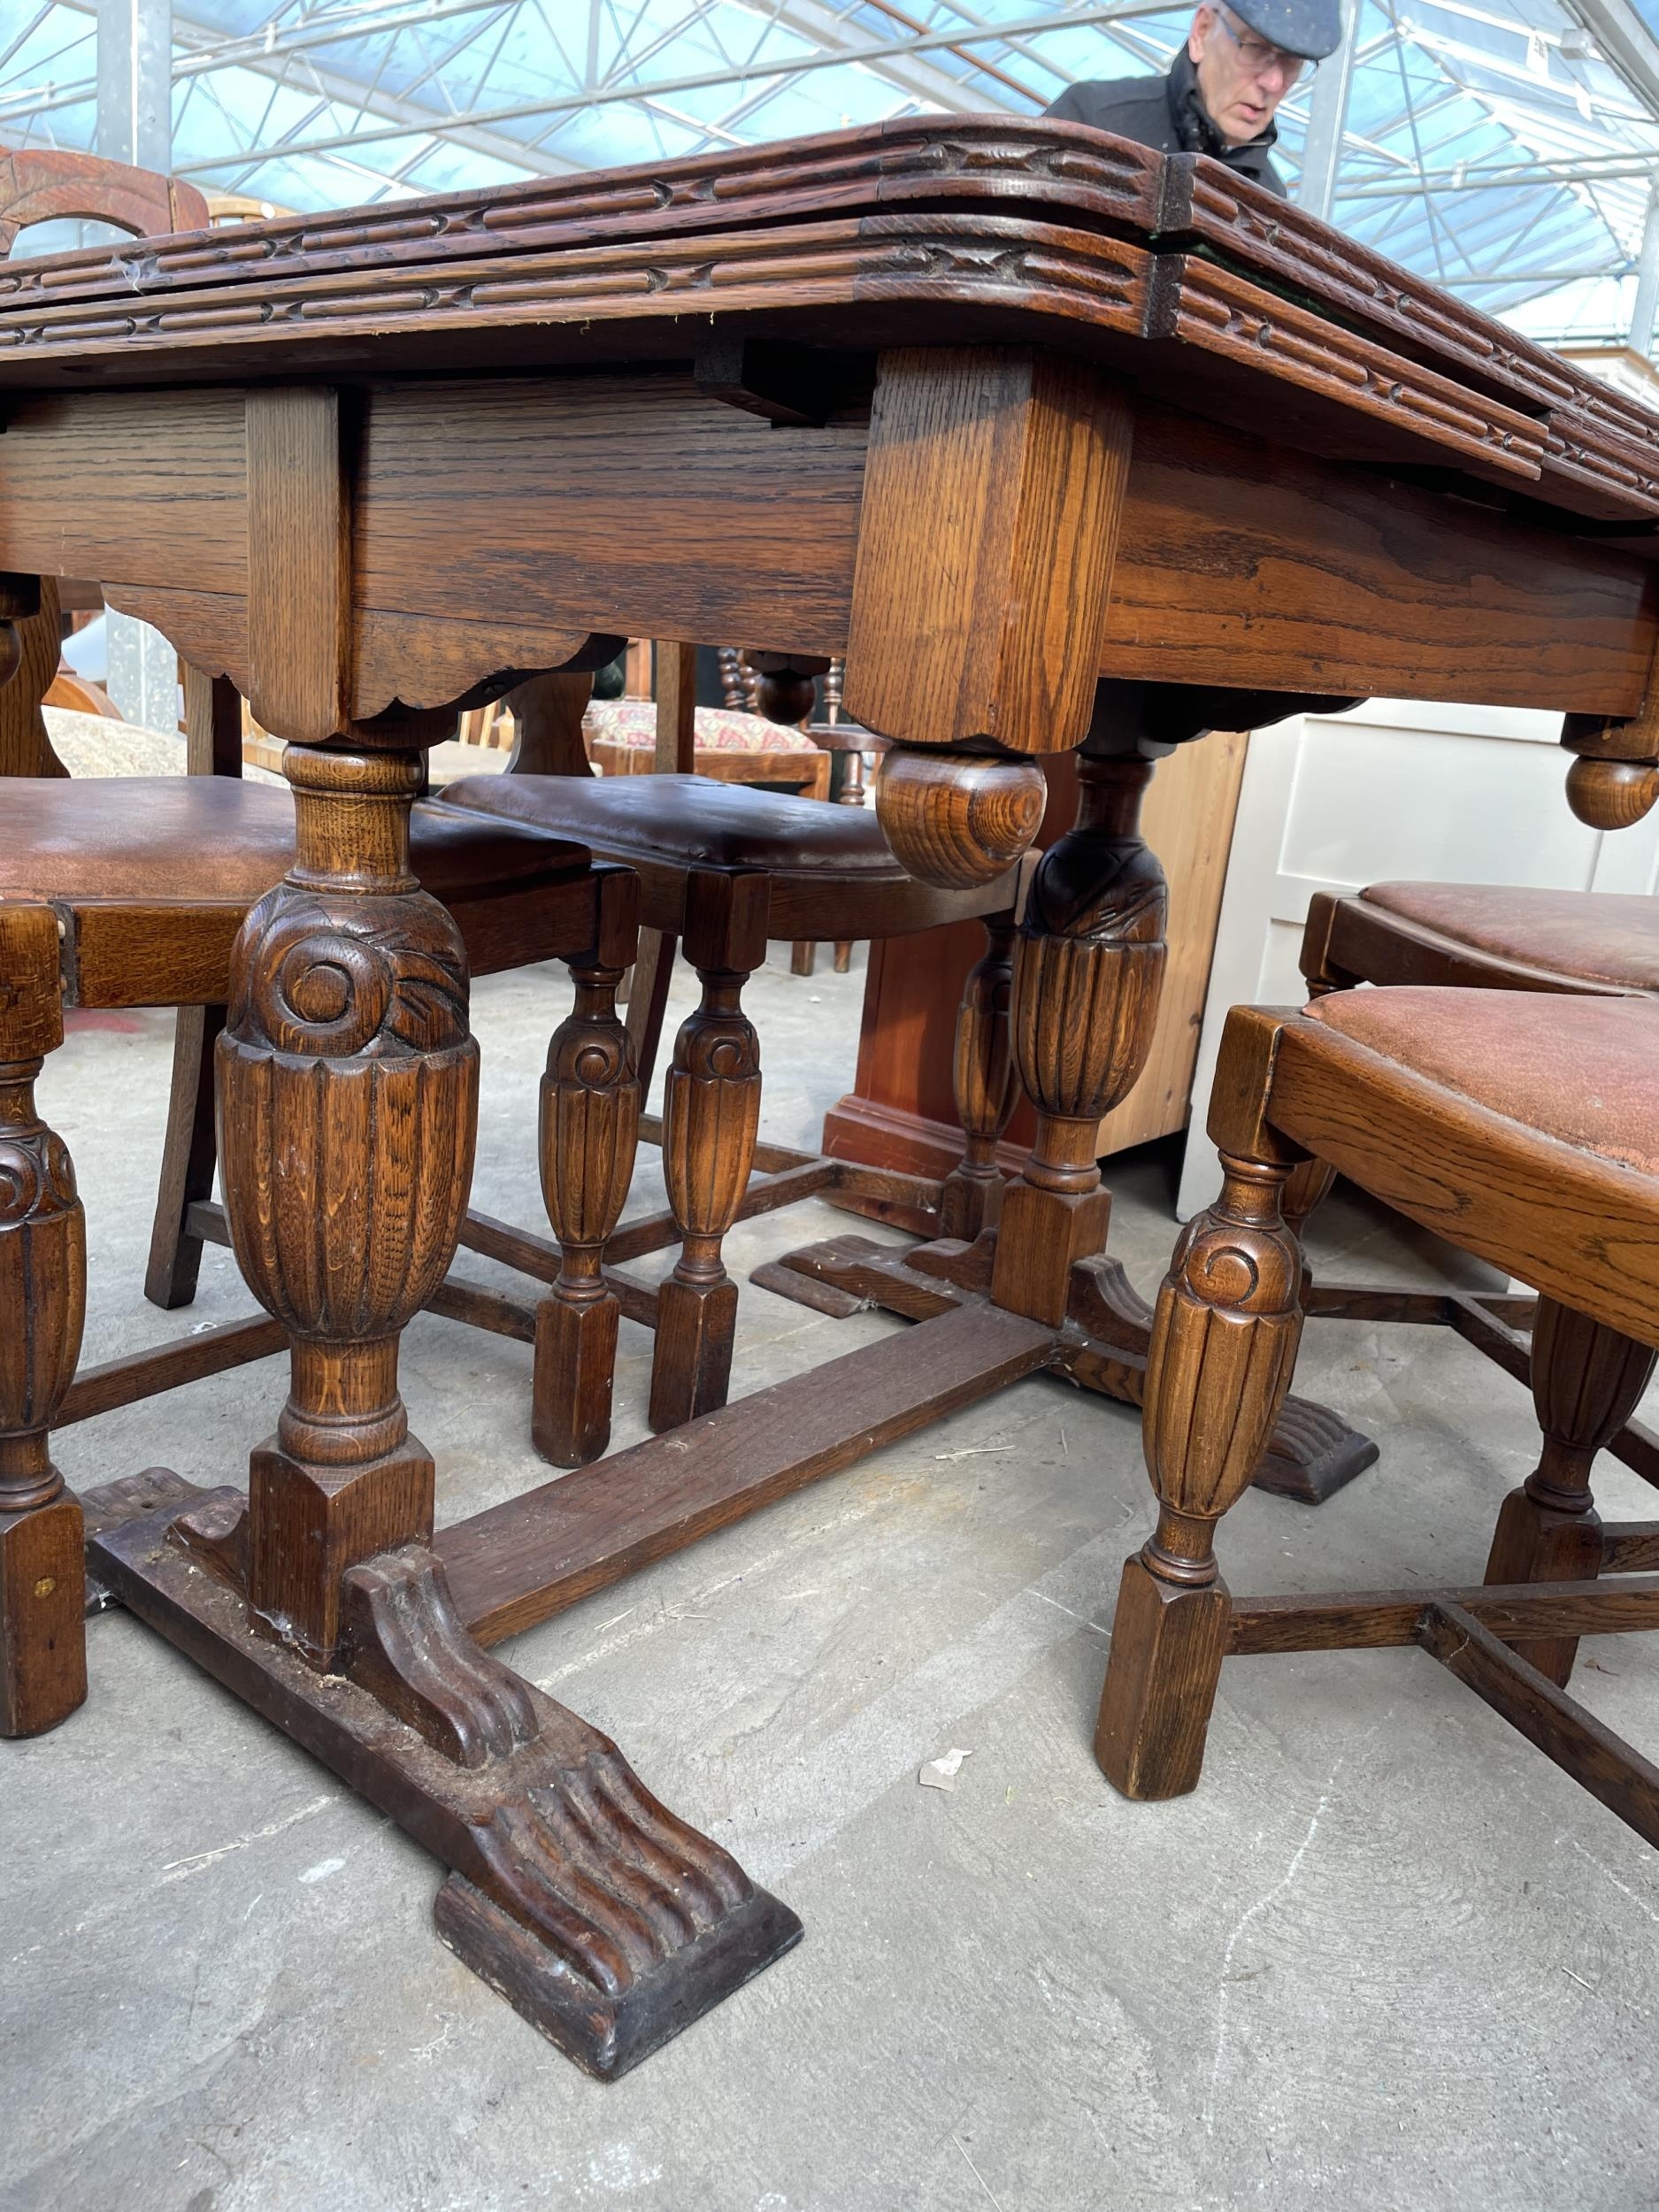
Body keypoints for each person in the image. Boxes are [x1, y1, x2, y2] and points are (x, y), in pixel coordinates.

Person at [1045, 0, 1342, 199]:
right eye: (1254, 48)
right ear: (1202, 32)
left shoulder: (1270, 198)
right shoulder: (1095, 122)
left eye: (1292, 63)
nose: (1274, 82)